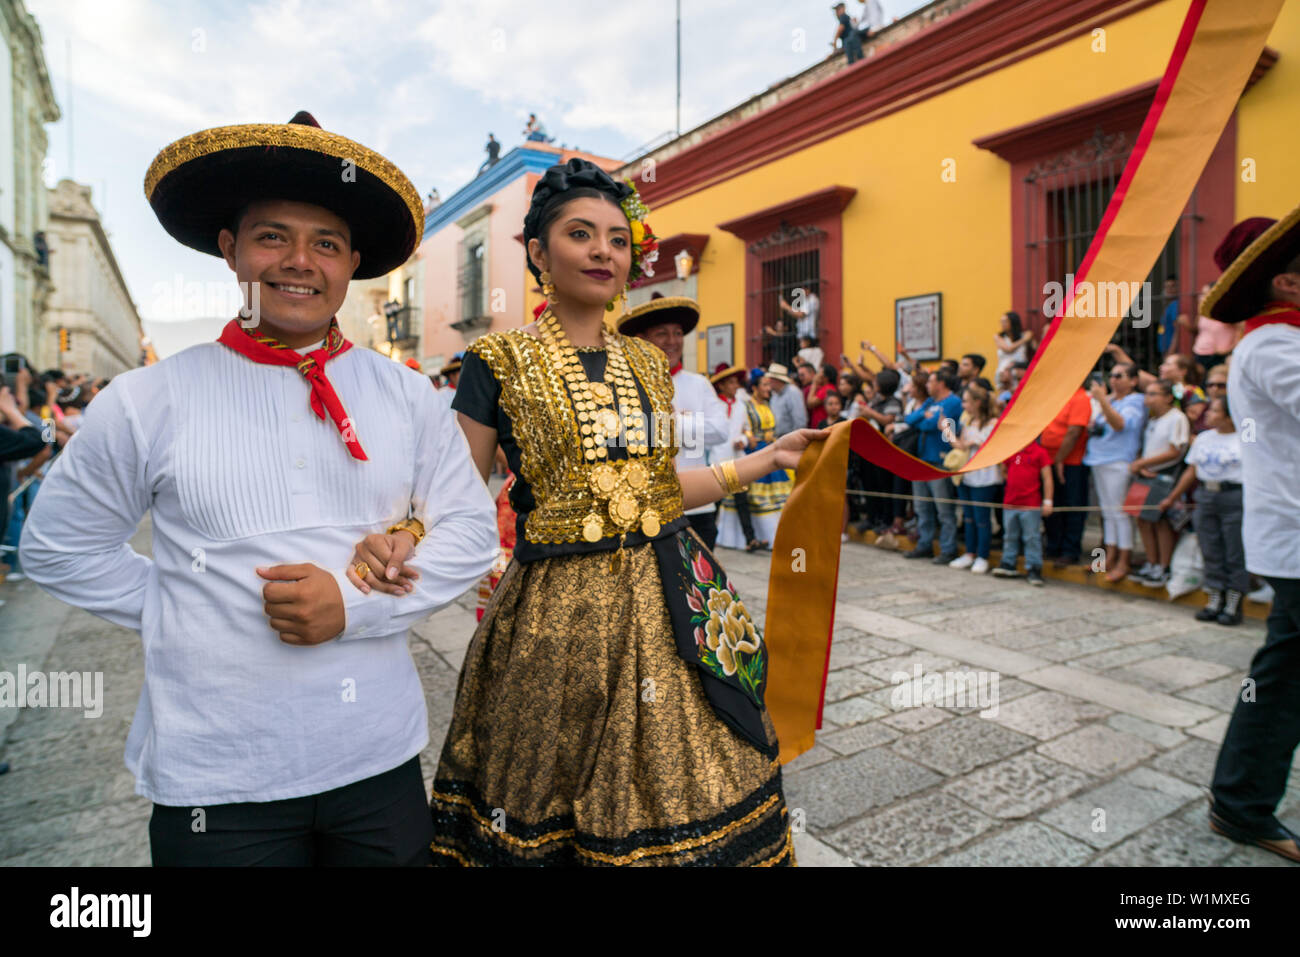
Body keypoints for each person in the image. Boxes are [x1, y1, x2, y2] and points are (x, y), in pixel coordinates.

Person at [20, 110, 500, 866]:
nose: (299, 261)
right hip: (218, 777)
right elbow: (58, 547)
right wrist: (188, 602)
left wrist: (354, 604)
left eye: (327, 243)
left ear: (352, 264)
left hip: (376, 759)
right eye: (273, 235)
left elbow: (472, 531)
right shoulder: (149, 400)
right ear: (230, 249)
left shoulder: (407, 396)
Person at [372, 157, 820, 866]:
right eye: (581, 234)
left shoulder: (646, 364)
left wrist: (765, 461)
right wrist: (409, 532)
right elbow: (456, 488)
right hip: (553, 615)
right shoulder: (498, 361)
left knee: (694, 779)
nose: (603, 251)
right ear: (538, 253)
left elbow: (662, 488)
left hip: (668, 599)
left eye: (617, 238)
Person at [1202, 209, 1300, 863]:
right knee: (1284, 673)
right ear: (1289, 283)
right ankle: (1239, 803)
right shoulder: (1272, 344)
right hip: (1296, 534)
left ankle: (1240, 798)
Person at [622, 294, 729, 550]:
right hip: (646, 507)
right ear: (642, 339)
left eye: (678, 333)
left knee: (703, 586)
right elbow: (624, 435)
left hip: (698, 506)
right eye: (662, 334)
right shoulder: (627, 386)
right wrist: (682, 424)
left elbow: (721, 430)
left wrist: (663, 425)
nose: (672, 342)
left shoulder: (699, 383)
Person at [1156, 394, 1245, 625]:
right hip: (1206, 495)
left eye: (1214, 411)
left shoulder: (1245, 439)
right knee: (1210, 546)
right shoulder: (1204, 438)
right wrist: (1172, 497)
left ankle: (1234, 601)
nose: (1208, 415)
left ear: (1229, 416)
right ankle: (1214, 597)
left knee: (1234, 548)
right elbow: (1191, 471)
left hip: (1234, 496)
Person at [717, 371, 798, 552]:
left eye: (769, 385)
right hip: (752, 452)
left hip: (769, 449)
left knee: (772, 497)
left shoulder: (765, 405)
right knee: (744, 498)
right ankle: (748, 537)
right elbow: (745, 428)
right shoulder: (746, 406)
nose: (768, 389)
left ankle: (767, 536)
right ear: (754, 388)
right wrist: (747, 438)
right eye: (764, 385)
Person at [1084, 364, 1146, 583]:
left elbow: (1120, 425)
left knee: (1120, 513)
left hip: (1117, 461)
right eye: (1112, 375)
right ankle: (1107, 558)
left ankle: (1123, 561)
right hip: (1099, 458)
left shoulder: (1135, 401)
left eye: (1119, 376)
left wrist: (1102, 400)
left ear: (1133, 381)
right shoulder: (1112, 400)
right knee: (1107, 513)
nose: (1113, 380)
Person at [1128, 379, 1190, 588]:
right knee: (1143, 520)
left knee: (1160, 521)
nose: (1149, 398)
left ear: (1168, 397)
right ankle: (1151, 562)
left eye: (1154, 394)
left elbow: (1175, 451)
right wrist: (1143, 464)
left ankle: (1163, 566)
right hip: (1146, 473)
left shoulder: (1177, 418)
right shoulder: (1153, 420)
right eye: (1148, 393)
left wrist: (1143, 463)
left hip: (1163, 474)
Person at [902, 370, 963, 563]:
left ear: (941, 383)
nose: (927, 385)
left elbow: (943, 429)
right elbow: (910, 420)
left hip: (940, 460)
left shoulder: (953, 402)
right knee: (922, 508)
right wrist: (925, 418)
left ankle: (948, 548)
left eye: (931, 381)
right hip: (920, 460)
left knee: (943, 509)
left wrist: (925, 420)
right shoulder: (930, 402)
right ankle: (925, 544)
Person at [947, 383, 999, 574]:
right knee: (967, 517)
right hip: (966, 474)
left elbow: (990, 444)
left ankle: (982, 556)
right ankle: (969, 553)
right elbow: (959, 445)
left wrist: (974, 442)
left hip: (984, 476)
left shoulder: (993, 422)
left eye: (967, 401)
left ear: (977, 402)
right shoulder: (967, 421)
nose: (963, 405)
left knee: (982, 519)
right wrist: (946, 429)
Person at [1040, 381, 1092, 567]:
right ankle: (1054, 545)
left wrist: (1059, 459)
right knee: (1053, 504)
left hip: (1071, 462)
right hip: (1049, 460)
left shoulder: (1080, 398)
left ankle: (1070, 550)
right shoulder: (1057, 396)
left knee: (1072, 506)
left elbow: (1074, 432)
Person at [708, 362, 759, 550]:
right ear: (720, 385)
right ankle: (706, 543)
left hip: (735, 461)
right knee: (715, 504)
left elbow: (747, 430)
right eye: (730, 383)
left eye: (736, 382)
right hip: (716, 461)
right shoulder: (713, 406)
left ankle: (750, 539)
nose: (735, 386)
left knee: (741, 501)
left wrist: (744, 442)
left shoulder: (741, 406)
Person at [992, 439, 1054, 586]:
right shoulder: (1012, 449)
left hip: (1030, 504)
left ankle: (1034, 567)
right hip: (1010, 502)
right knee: (1009, 535)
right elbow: (1003, 469)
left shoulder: (1040, 452)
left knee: (1032, 537)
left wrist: (1048, 501)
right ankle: (1008, 563)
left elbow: (1047, 478)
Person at [1188, 281, 1239, 371]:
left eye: (1205, 294)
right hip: (1200, 353)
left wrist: (1229, 349)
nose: (1201, 297)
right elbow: (1198, 330)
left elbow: (1240, 330)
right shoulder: (1203, 312)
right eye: (1202, 294)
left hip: (1219, 356)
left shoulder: (1227, 311)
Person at [764, 362, 808, 437]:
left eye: (770, 378)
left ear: (777, 380)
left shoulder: (793, 392)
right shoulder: (775, 395)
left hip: (790, 439)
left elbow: (800, 421)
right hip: (777, 439)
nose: (768, 381)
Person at [994, 311, 1032, 380]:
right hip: (1003, 374)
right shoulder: (998, 337)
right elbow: (1009, 349)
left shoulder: (1024, 334)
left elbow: (1036, 348)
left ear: (1013, 322)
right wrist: (1024, 339)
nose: (1003, 324)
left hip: (1020, 372)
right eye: (1001, 321)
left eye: (1005, 321)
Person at [1155, 275, 1183, 358]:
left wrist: (1171, 352)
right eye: (1167, 287)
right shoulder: (1169, 306)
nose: (1169, 289)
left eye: (1173, 286)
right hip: (1165, 350)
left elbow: (1178, 329)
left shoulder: (1175, 305)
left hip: (1171, 351)